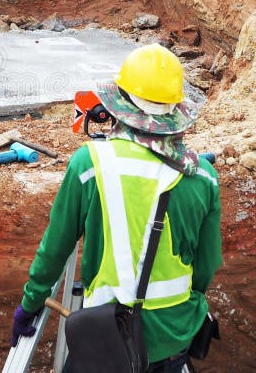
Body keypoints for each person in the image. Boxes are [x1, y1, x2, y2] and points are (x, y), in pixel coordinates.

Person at [11, 43, 222, 372]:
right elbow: (207, 266)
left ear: (120, 104)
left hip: (108, 336)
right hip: (175, 335)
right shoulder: (203, 176)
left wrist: (31, 302)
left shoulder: (89, 165)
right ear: (175, 110)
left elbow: (56, 247)